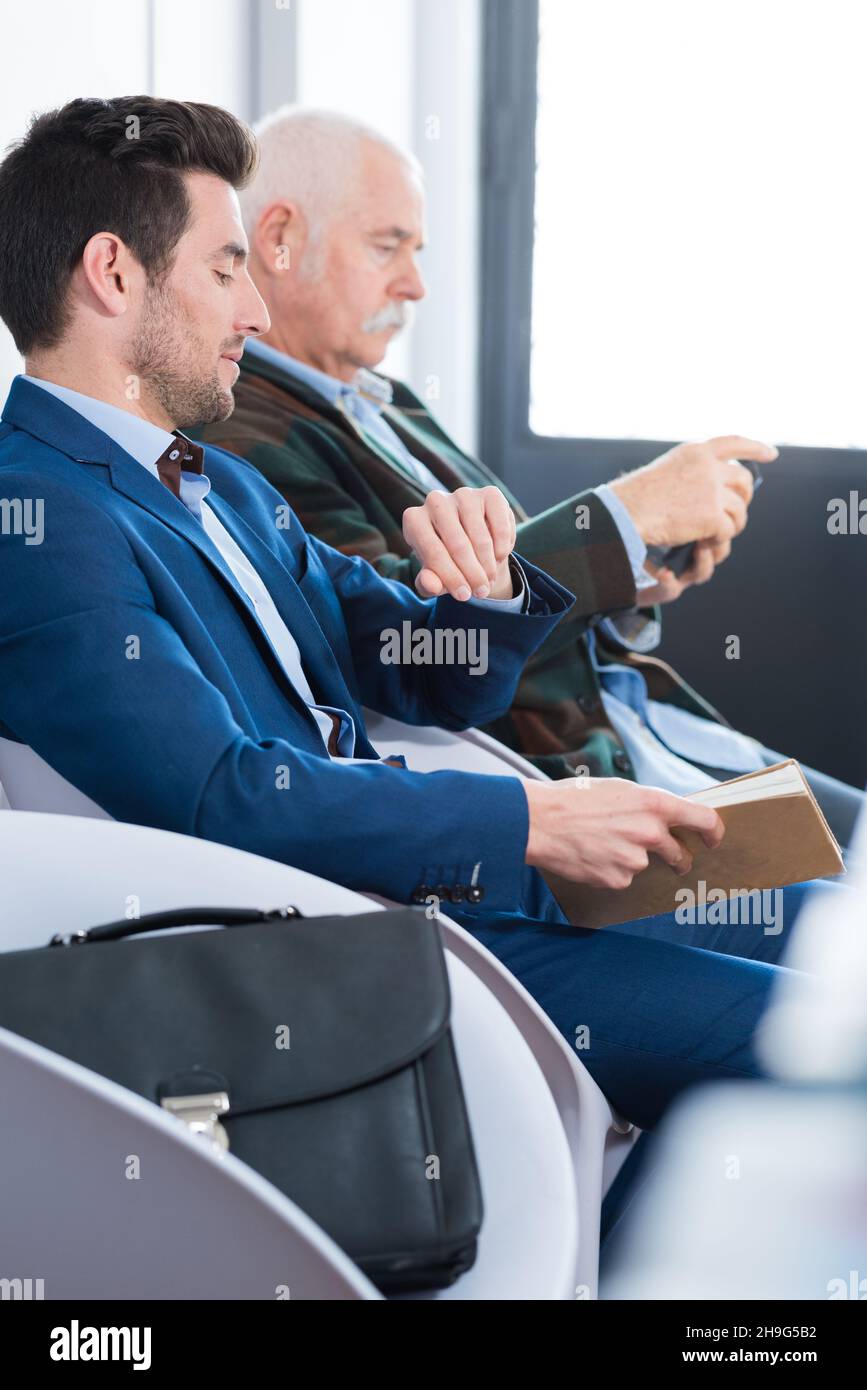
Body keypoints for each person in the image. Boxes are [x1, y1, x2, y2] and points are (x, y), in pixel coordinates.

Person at [0, 97, 841, 1135]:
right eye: (226, 269)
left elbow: (408, 663)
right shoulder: (37, 521)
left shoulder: (215, 482)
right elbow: (223, 798)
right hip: (366, 941)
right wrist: (533, 821)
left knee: (838, 932)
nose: (253, 314)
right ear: (115, 275)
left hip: (460, 877)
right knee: (826, 1034)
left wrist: (485, 584)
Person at [196, 106, 863, 849]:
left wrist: (629, 577)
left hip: (643, 726)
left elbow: (498, 573)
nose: (415, 285)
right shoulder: (234, 433)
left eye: (417, 251)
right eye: (388, 246)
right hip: (567, 778)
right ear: (280, 239)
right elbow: (410, 636)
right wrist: (623, 517)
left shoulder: (384, 400)